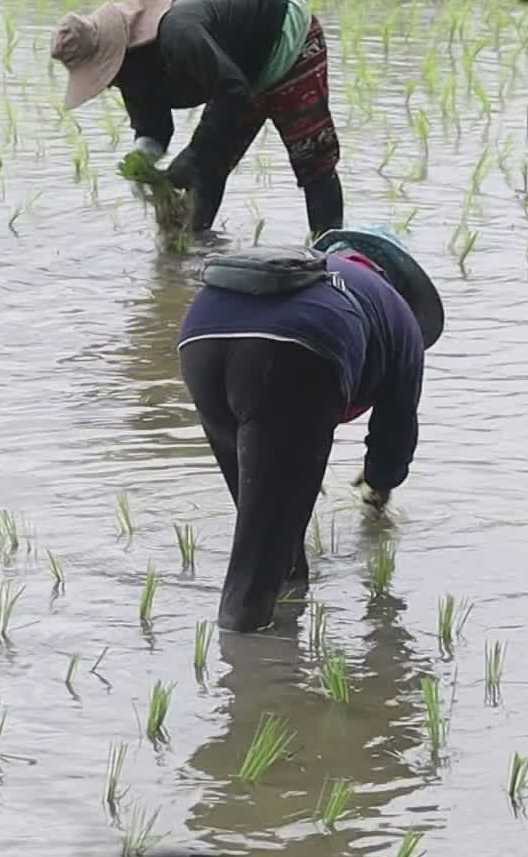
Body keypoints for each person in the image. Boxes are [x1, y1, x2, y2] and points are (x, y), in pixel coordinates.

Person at [177, 227, 442, 632]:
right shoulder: (396, 312)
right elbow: (397, 424)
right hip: (298, 346)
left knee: (265, 523)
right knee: (261, 555)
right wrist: (380, 483)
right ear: (394, 277)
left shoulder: (312, 274)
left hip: (200, 335)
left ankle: (282, 627)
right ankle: (247, 667)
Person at [51, 0, 345, 238]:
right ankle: (193, 254)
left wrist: (195, 155)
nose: (108, 82)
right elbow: (153, 127)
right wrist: (143, 160)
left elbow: (232, 91)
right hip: (236, 74)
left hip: (285, 36)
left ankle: (331, 254)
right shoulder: (130, 72)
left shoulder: (179, 35)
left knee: (312, 155)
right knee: (210, 165)